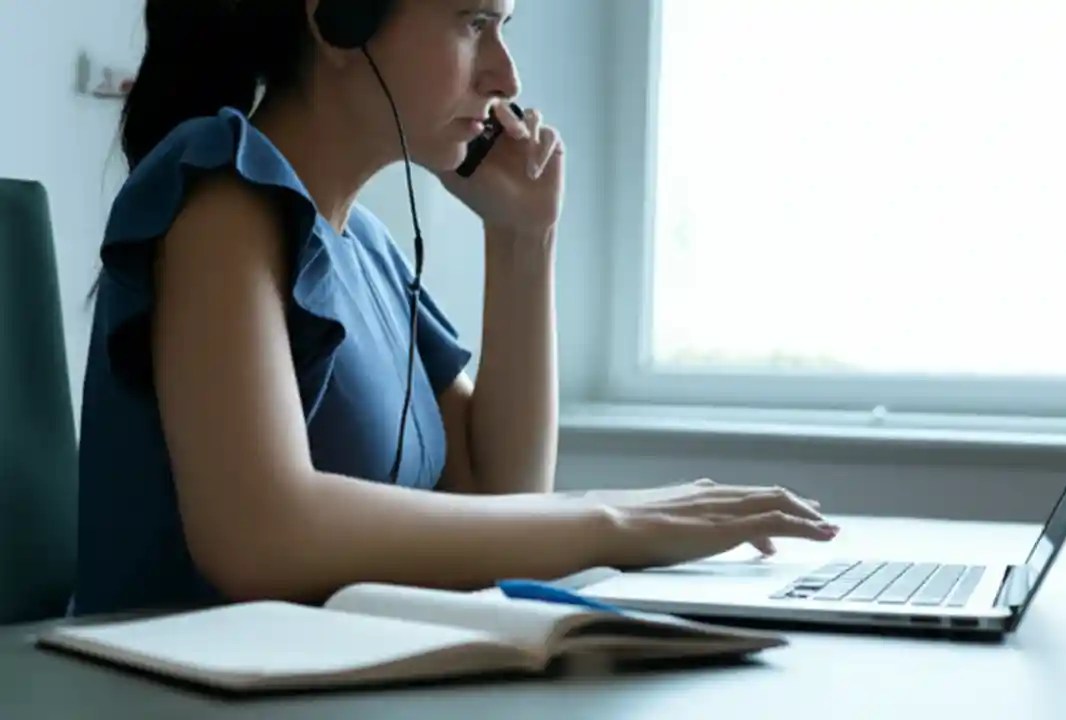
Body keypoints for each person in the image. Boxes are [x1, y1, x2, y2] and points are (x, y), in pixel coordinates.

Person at [71, 0, 839, 617]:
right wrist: (613, 522)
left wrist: (522, 241)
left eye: (504, 28)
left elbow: (503, 491)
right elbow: (258, 536)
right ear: (341, 19)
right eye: (474, 24)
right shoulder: (220, 193)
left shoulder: (363, 246)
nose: (506, 75)